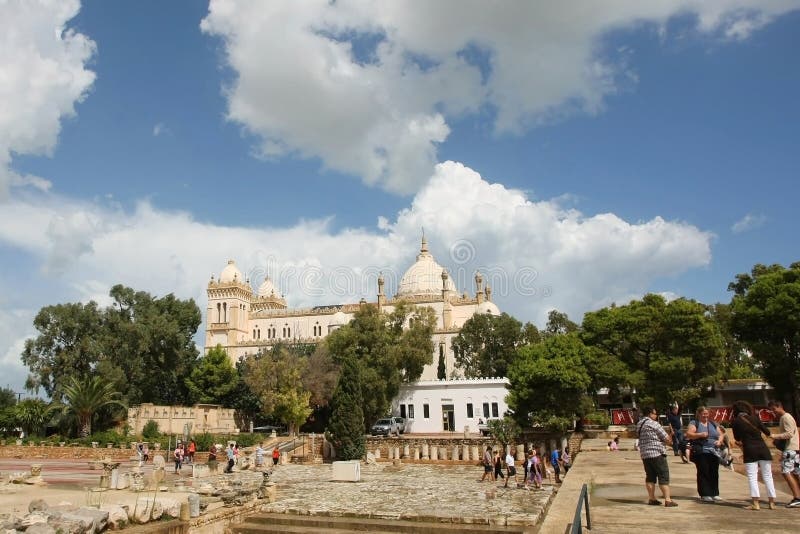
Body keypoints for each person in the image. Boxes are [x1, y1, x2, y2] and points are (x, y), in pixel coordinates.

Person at [731, 400, 776, 510]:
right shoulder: (755, 418)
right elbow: (767, 432)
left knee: (752, 476)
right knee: (768, 476)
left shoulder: (736, 422)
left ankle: (756, 503)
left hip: (749, 449)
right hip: (763, 449)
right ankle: (771, 502)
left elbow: (737, 438)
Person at [635, 405, 677, 507]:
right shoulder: (654, 424)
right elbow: (667, 439)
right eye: (655, 413)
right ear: (650, 414)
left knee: (650, 477)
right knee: (663, 476)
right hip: (657, 453)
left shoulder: (639, 424)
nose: (656, 415)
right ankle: (668, 499)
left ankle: (652, 498)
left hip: (645, 454)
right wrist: (671, 436)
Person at [685, 406, 725, 502]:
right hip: (702, 451)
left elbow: (721, 434)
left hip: (714, 452)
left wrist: (719, 441)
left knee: (714, 472)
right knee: (704, 472)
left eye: (707, 413)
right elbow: (689, 434)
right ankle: (705, 493)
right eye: (703, 414)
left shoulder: (713, 423)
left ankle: (714, 493)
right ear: (699, 414)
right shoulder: (694, 423)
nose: (705, 415)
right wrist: (700, 434)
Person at [767, 400, 800, 507]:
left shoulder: (785, 417)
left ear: (779, 406)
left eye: (773, 409)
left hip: (790, 449)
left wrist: (774, 436)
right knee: (795, 473)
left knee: (787, 472)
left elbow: (789, 434)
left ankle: (797, 497)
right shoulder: (786, 417)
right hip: (794, 449)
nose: (773, 412)